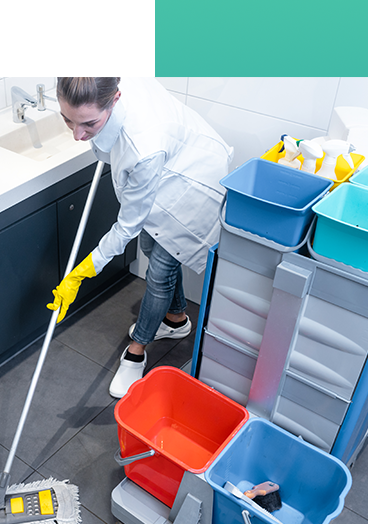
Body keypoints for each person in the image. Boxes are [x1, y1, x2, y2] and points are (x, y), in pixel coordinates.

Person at [47, 76, 233, 398]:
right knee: (150, 244)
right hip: (168, 165)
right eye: (68, 120)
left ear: (115, 100)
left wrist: (84, 270)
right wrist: (94, 130)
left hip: (194, 181)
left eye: (88, 124)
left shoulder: (142, 146)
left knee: (160, 268)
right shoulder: (111, 80)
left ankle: (136, 352)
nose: (77, 135)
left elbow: (127, 226)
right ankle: (175, 320)